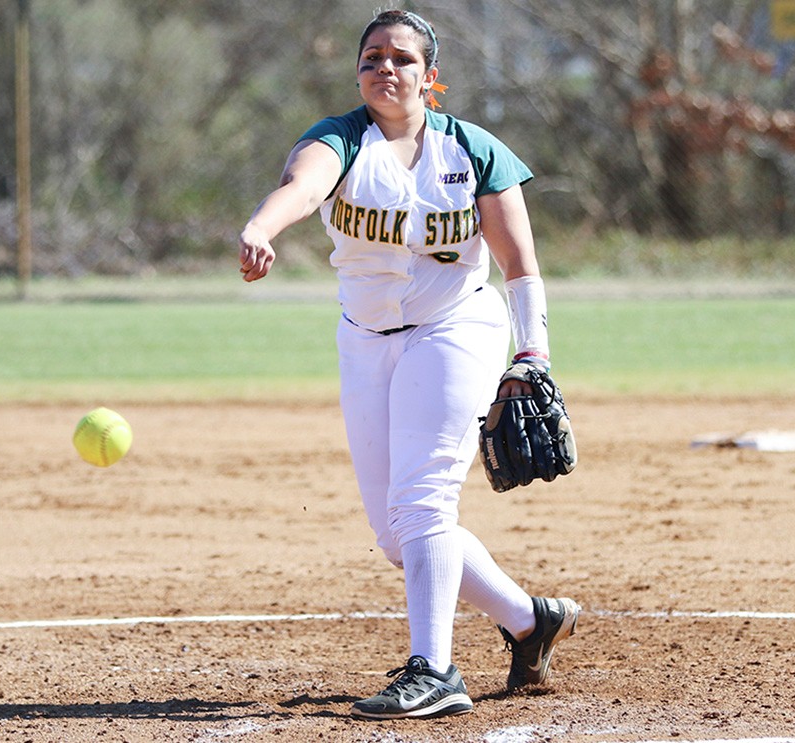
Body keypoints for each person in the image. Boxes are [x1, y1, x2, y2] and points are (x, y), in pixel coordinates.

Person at [238, 9, 580, 720]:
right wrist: (261, 227)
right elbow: (303, 187)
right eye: (370, 58)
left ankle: (436, 669)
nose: (383, 69)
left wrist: (532, 353)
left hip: (456, 327)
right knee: (399, 536)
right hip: (365, 339)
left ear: (431, 76)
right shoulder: (338, 140)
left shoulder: (475, 151)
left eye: (400, 58)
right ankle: (530, 619)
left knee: (424, 499)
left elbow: (520, 264)